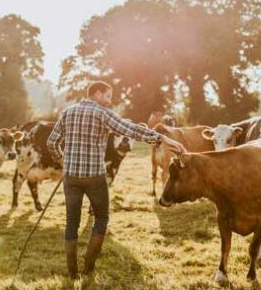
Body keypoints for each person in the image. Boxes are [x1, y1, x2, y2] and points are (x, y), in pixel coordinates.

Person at [47, 81, 186, 278]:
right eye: (107, 95)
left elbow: (51, 142)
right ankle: (88, 268)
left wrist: (61, 158)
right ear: (96, 94)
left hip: (71, 177)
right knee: (101, 218)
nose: (109, 100)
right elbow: (131, 130)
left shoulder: (68, 112)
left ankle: (72, 273)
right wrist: (163, 138)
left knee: (71, 223)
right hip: (94, 176)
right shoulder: (102, 113)